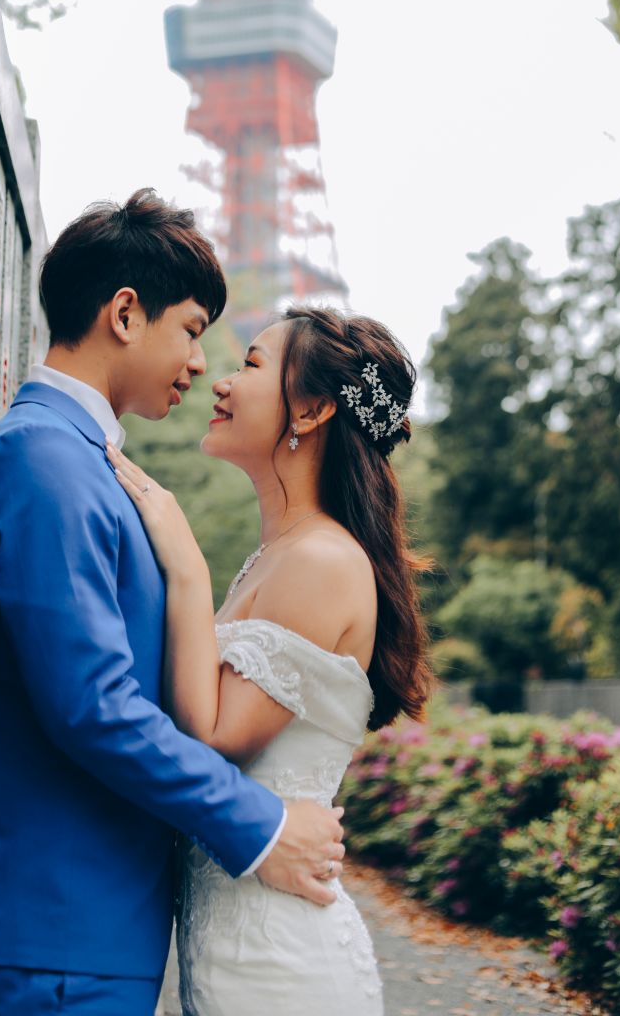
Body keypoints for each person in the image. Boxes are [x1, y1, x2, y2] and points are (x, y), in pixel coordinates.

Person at [0, 192, 346, 1016]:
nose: (201, 363)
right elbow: (92, 708)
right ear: (126, 313)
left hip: (88, 930)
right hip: (58, 935)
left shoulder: (79, 462)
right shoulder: (44, 464)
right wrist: (263, 828)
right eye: (194, 330)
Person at [112, 305, 432, 1015]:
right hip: (240, 946)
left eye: (251, 364)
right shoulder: (278, 558)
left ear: (312, 408)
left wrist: (186, 566)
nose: (219, 383)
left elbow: (215, 738)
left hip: (281, 965)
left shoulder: (320, 559)